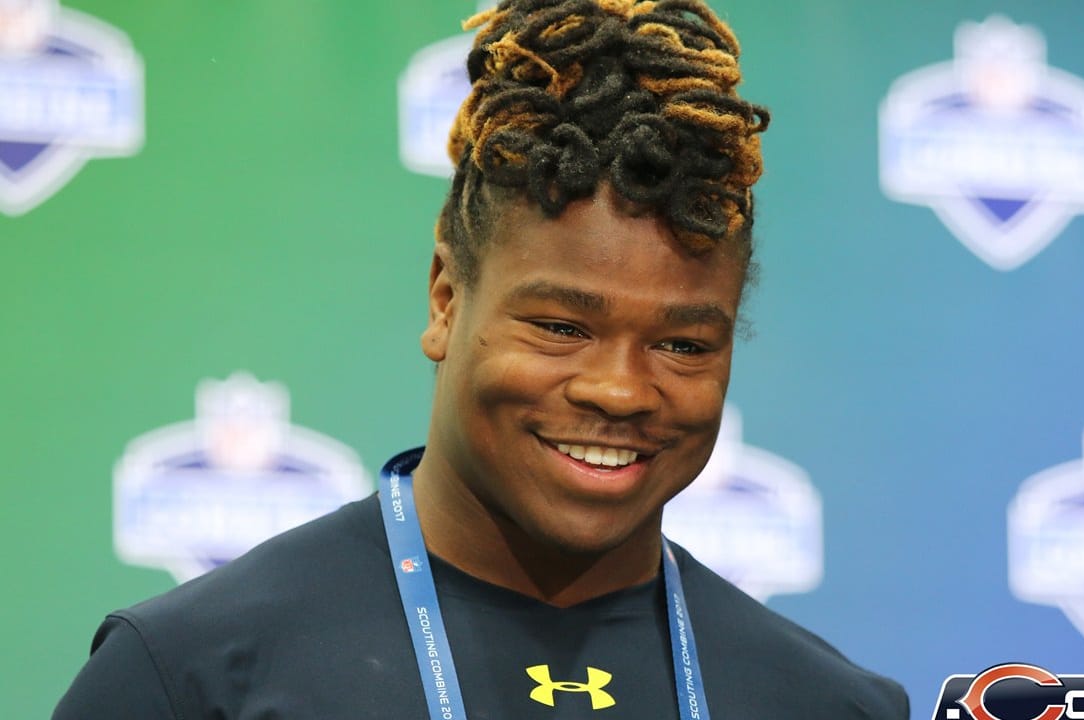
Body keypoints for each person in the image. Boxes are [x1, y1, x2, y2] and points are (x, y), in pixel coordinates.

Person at [55, 1, 910, 717]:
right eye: (561, 328)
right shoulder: (189, 677)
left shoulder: (826, 703)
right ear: (444, 298)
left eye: (682, 344)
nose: (619, 388)